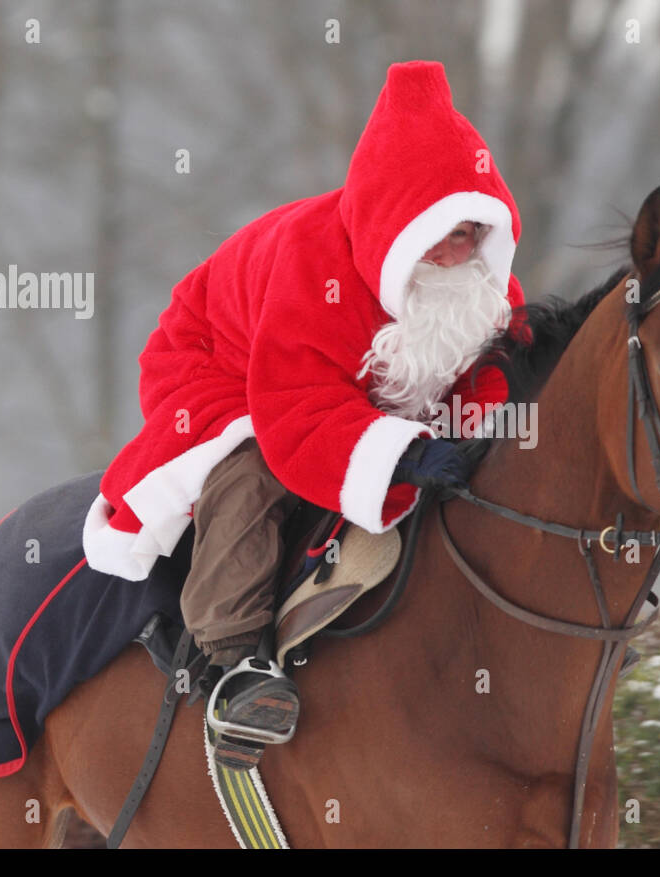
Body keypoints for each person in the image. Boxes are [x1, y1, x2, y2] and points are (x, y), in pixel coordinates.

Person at [81, 61, 528, 766]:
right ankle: (227, 660)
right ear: (399, 226)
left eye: (475, 228)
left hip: (333, 390)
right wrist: (406, 455)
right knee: (256, 469)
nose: (463, 246)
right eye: (445, 230)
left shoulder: (480, 288)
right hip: (220, 364)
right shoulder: (308, 265)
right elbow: (298, 410)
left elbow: (501, 367)